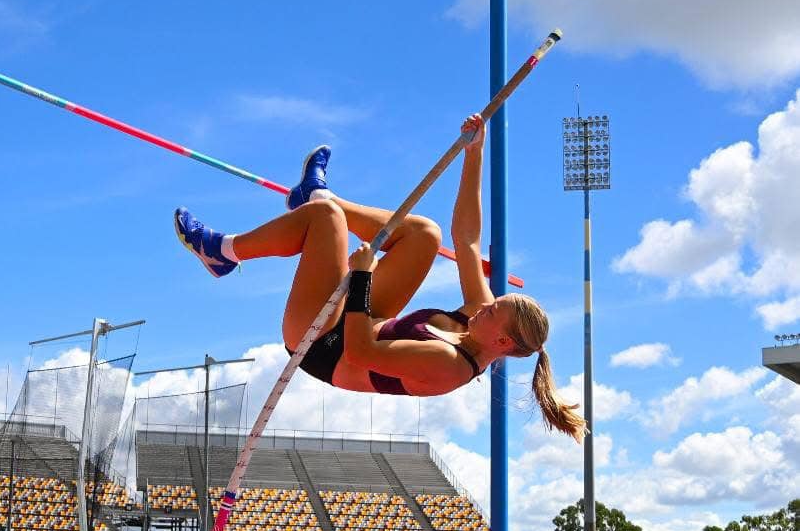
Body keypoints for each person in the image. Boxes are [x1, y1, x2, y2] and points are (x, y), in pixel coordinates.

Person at [174, 116, 585, 442]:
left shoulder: (448, 365)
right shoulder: (479, 319)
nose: (488, 303)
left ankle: (222, 252)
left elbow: (358, 352)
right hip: (362, 321)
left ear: (503, 342)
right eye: (497, 300)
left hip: (323, 347)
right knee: (426, 233)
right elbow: (468, 238)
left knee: (326, 221)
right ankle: (314, 195)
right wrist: (473, 154)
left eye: (496, 309)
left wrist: (362, 277)